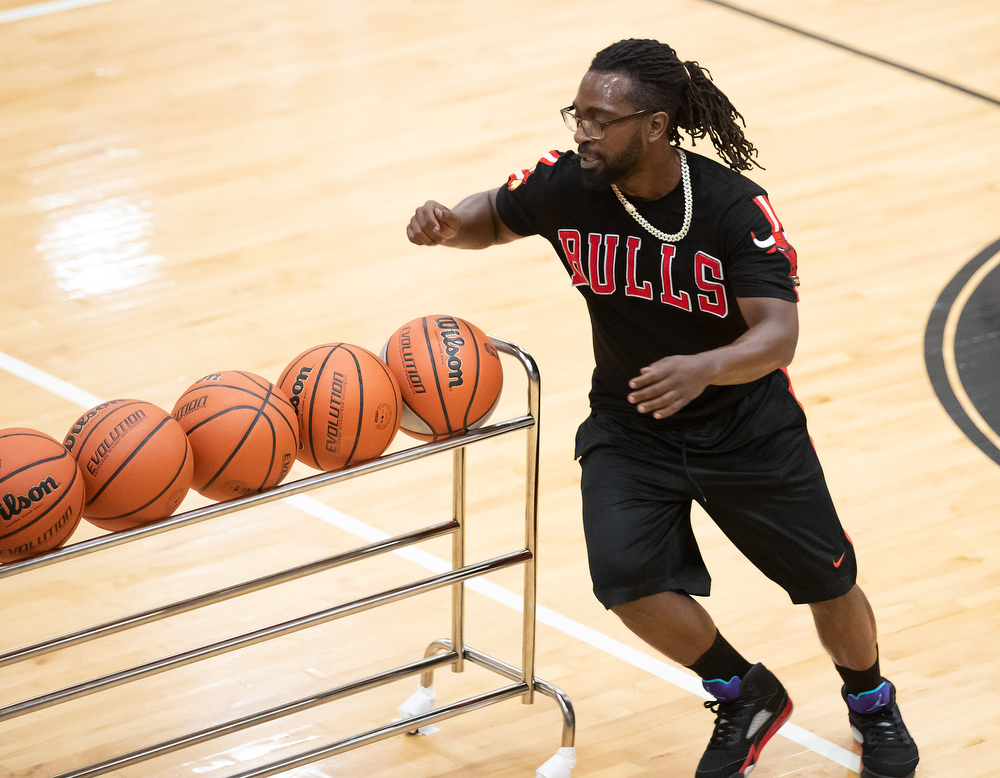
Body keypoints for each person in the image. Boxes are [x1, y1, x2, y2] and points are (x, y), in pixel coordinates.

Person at [405, 38, 919, 778]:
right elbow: (493, 214)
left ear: (653, 125)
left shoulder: (730, 209)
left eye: (599, 118)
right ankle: (743, 694)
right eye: (576, 113)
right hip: (629, 422)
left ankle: (871, 701)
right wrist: (450, 225)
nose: (581, 130)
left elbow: (779, 335)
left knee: (827, 582)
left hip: (747, 427)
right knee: (626, 581)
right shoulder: (569, 184)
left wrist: (704, 369)